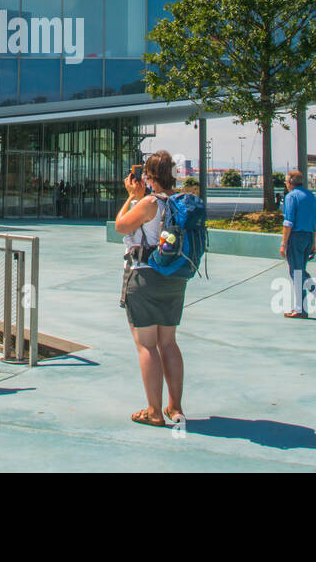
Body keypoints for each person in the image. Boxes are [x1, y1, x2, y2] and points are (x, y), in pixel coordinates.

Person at [116, 150, 186, 427]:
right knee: (168, 342)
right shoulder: (180, 202)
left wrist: (131, 196)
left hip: (145, 277)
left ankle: (154, 411)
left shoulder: (148, 203)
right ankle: (175, 407)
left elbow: (121, 226)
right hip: (175, 278)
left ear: (148, 175)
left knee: (146, 346)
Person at [280, 170, 316, 318]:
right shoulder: (310, 196)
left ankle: (303, 307)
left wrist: (283, 243)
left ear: (289, 183)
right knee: (301, 271)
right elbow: (315, 221)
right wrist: (313, 242)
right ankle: (309, 303)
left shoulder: (291, 197)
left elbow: (288, 223)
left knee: (296, 272)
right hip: (308, 236)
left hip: (296, 237)